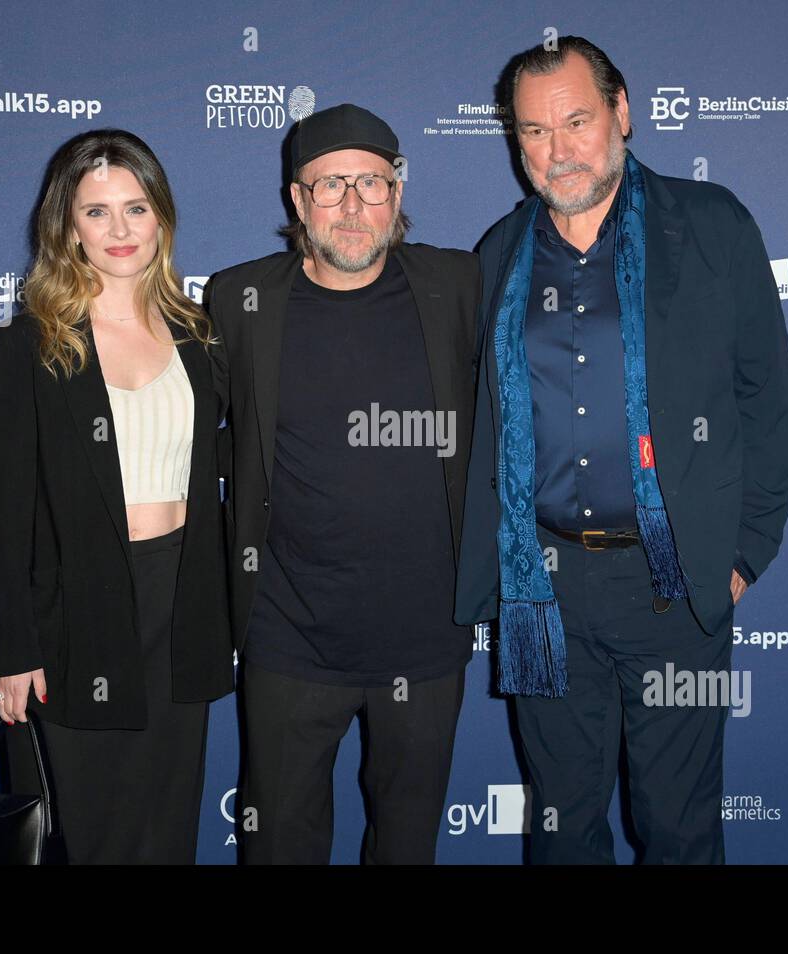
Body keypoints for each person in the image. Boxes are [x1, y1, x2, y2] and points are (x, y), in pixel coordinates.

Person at [455, 37, 788, 864]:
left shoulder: (712, 226)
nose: (556, 149)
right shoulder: (500, 254)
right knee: (561, 826)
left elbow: (768, 400)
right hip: (544, 589)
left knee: (679, 828)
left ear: (622, 112)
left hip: (673, 583)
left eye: (575, 120)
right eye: (533, 132)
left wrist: (743, 553)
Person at [206, 104, 479, 864]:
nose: (353, 207)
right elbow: (193, 441)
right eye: (330, 187)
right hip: (289, 636)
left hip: (426, 638)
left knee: (407, 847)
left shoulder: (458, 284)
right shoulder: (240, 299)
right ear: (297, 200)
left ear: (398, 191)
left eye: (372, 183)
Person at [0, 128, 232, 864]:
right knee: (92, 834)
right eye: (96, 212)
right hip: (77, 613)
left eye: (136, 207)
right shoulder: (30, 342)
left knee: (166, 832)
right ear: (66, 225)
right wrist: (16, 648)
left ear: (162, 217)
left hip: (181, 605)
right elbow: (7, 509)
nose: (120, 230)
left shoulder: (197, 333)